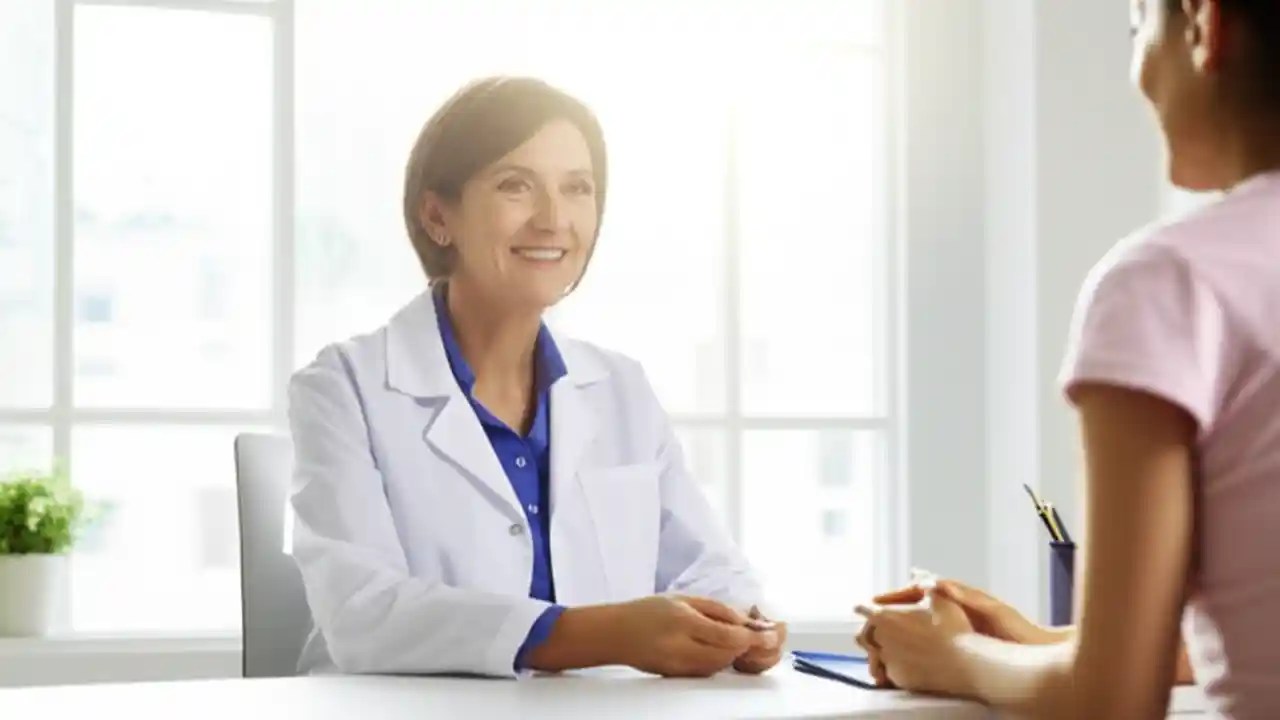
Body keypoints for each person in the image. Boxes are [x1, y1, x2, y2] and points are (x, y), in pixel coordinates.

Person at [854, 0, 1280, 717]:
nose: (1138, 70)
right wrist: (1035, 641)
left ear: (1205, 26)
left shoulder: (1171, 280)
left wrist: (954, 657)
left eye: (1137, 26)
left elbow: (1110, 701)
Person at [287, 76, 785, 679]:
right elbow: (364, 614)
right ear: (437, 215)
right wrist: (604, 633)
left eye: (577, 188)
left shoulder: (621, 387)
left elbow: (712, 568)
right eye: (516, 185)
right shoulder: (344, 386)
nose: (554, 219)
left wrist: (743, 623)